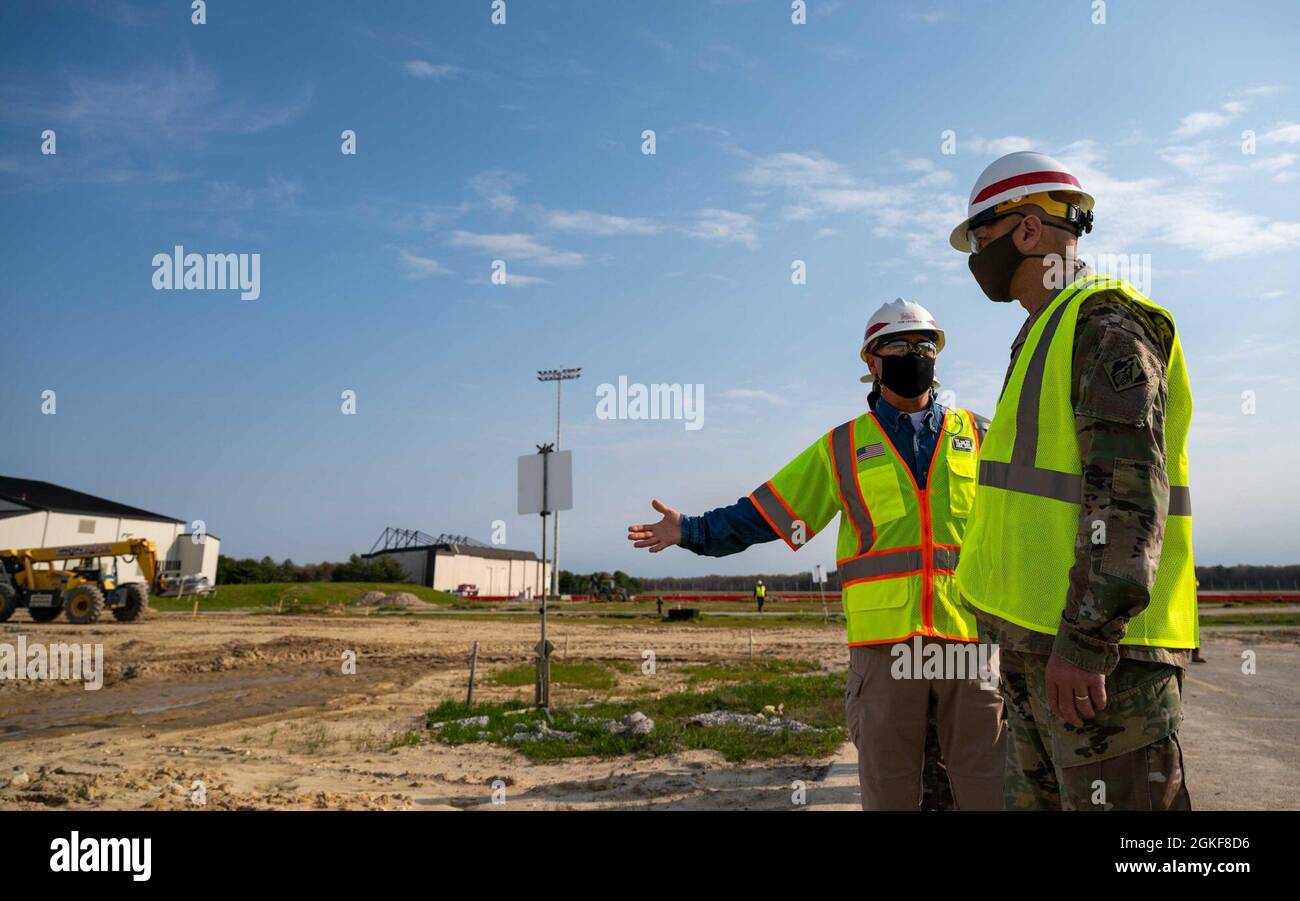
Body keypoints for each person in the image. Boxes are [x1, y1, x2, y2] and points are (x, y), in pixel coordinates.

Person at [627, 299, 1005, 810]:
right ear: (871, 361)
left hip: (969, 641)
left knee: (990, 788)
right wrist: (690, 530)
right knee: (889, 788)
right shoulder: (843, 447)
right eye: (899, 346)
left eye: (924, 346)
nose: (914, 356)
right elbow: (769, 514)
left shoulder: (981, 435)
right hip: (885, 647)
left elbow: (1025, 524)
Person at [950, 151, 1196, 810]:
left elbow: (1126, 494)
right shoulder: (1043, 332)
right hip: (1038, 655)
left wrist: (1085, 644)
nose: (976, 258)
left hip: (1100, 669)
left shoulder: (1104, 323)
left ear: (1027, 230)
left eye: (980, 238)